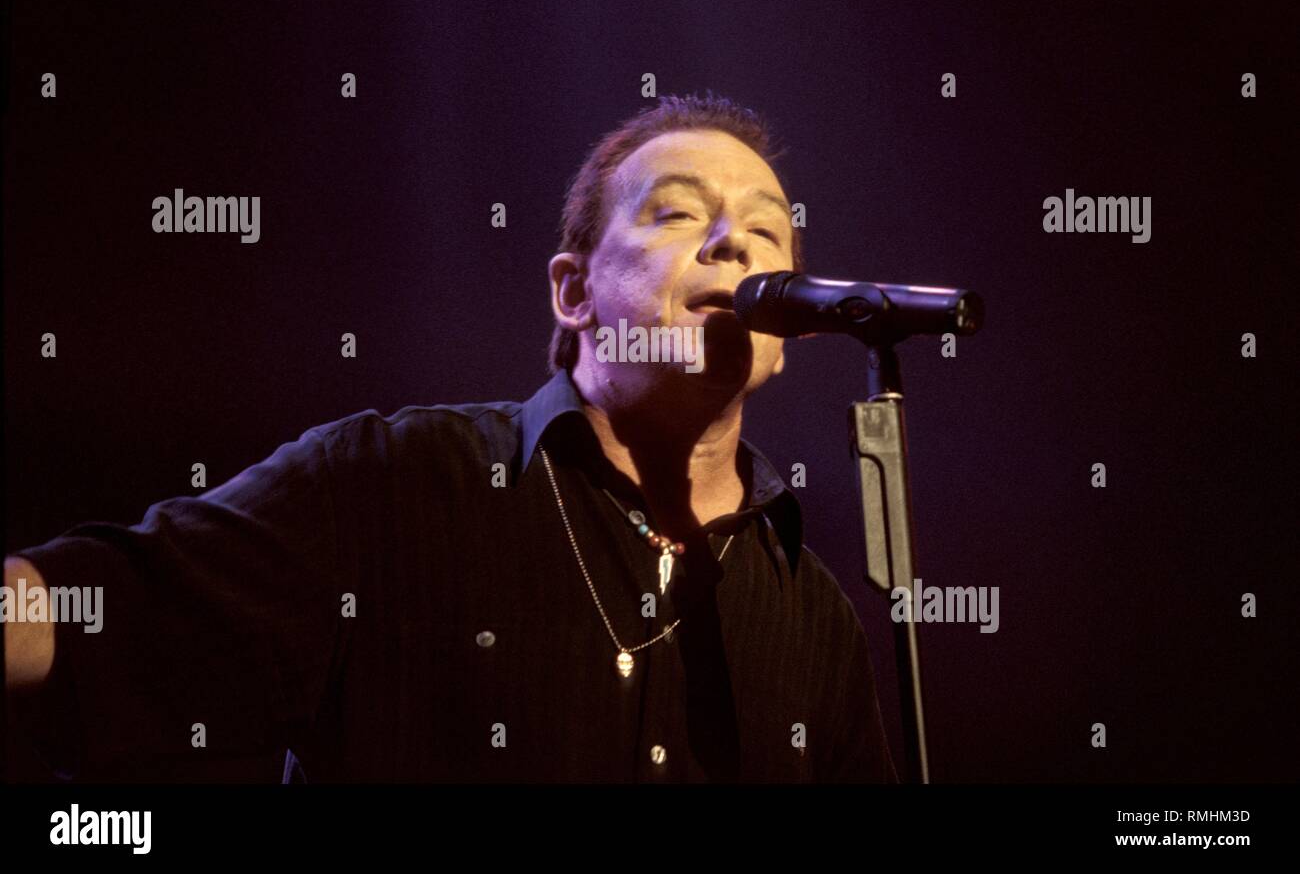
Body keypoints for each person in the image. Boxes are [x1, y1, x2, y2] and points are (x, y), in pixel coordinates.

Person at [4, 92, 898, 783]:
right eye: (675, 213)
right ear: (575, 292)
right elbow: (89, 611)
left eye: (766, 229)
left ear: (792, 335)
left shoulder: (813, 614)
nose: (730, 242)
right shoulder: (397, 485)